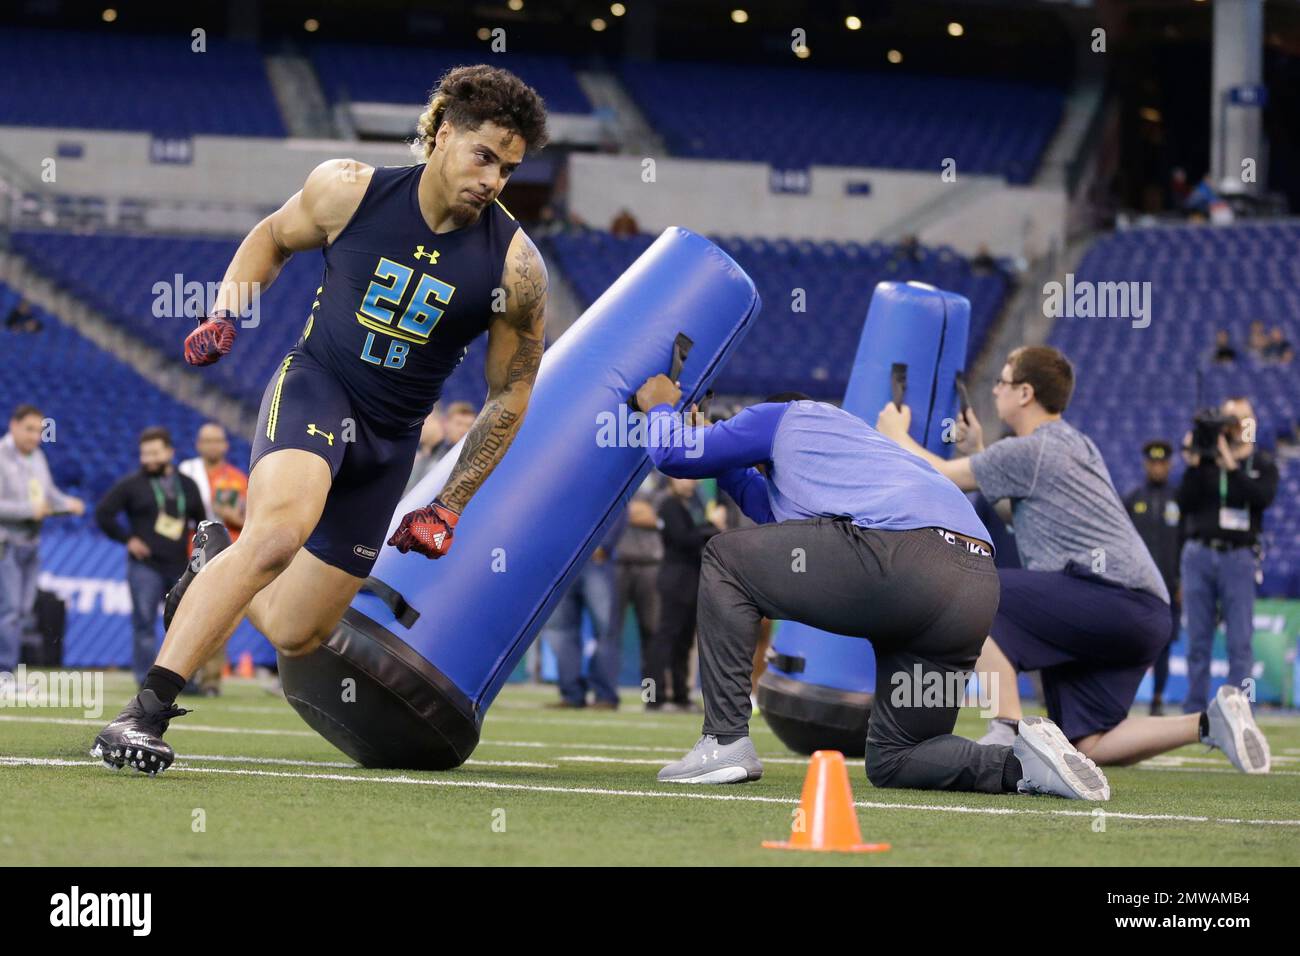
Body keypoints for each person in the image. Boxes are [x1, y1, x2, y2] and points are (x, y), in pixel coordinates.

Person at [92, 64, 551, 774]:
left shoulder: (516, 266)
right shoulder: (350, 188)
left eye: (509, 168)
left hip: (391, 442)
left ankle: (214, 556)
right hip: (319, 389)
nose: (493, 180)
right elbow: (272, 237)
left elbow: (512, 393)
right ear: (442, 133)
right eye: (484, 155)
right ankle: (142, 714)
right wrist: (226, 312)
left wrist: (451, 505)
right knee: (275, 538)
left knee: (297, 630)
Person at [641, 378, 1109, 800]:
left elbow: (674, 456)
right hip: (973, 583)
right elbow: (774, 517)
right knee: (899, 756)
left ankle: (724, 741)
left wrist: (662, 409)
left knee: (725, 558)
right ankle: (1024, 765)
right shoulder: (856, 453)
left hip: (904, 559)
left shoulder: (782, 416)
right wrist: (719, 454)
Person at [876, 346, 1270, 775]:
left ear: (1025, 393)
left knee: (975, 587)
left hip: (1110, 596)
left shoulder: (1031, 451)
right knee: (1088, 742)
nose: (995, 392)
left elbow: (942, 475)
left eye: (1002, 382)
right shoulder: (1072, 443)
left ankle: (1007, 729)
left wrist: (895, 433)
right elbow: (1017, 506)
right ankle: (1210, 722)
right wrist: (981, 448)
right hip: (1142, 612)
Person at [1177, 397, 1278, 716]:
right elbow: (1184, 502)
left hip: (1239, 557)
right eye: (1228, 419)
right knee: (1197, 640)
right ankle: (1193, 713)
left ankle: (1238, 714)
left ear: (1250, 424)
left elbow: (1260, 498)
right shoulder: (1205, 463)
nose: (1233, 425)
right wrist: (1194, 463)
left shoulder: (1261, 463)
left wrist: (1231, 463)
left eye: (1239, 419)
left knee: (1239, 641)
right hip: (1200, 554)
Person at [95, 427, 207, 685]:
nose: (149, 459)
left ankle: (182, 681)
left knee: (183, 625)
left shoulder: (188, 486)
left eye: (155, 453)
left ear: (170, 452)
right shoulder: (131, 485)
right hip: (144, 566)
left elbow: (201, 522)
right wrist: (128, 539)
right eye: (144, 454)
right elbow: (103, 514)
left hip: (180, 567)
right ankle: (147, 682)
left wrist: (198, 557)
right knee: (144, 624)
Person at [0, 404, 85, 674]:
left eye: (39, 430)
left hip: (30, 545)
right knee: (11, 610)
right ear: (13, 426)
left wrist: (66, 503)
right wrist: (28, 510)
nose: (35, 436)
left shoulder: (36, 456)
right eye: (29, 429)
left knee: (22, 612)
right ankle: (5, 671)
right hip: (6, 544)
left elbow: (47, 495)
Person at [178, 422, 248, 695]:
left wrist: (230, 515)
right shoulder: (187, 472)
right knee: (187, 616)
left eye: (216, 440)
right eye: (206, 440)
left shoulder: (236, 478)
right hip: (191, 552)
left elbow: (244, 518)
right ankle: (184, 675)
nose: (212, 445)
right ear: (198, 444)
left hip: (225, 552)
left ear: (225, 445)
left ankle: (211, 680)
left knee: (218, 615)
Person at [648, 475, 727, 711]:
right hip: (675, 579)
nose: (689, 482)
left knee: (684, 640)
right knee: (666, 636)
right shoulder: (668, 505)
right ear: (671, 480)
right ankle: (655, 697)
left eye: (692, 478)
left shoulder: (694, 505)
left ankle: (681, 695)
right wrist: (712, 526)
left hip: (692, 578)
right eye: (683, 477)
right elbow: (683, 538)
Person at [541, 512, 626, 709]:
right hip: (563, 561)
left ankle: (605, 695)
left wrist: (604, 544)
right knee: (560, 630)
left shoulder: (602, 480)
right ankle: (571, 694)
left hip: (597, 561)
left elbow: (619, 506)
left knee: (605, 630)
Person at [1122, 440, 1182, 716]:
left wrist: (1182, 580)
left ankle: (1157, 697)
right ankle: (1124, 697)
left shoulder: (1180, 499)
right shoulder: (1133, 499)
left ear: (1169, 464)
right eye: (1153, 462)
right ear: (1146, 464)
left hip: (1170, 587)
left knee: (1165, 644)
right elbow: (1122, 542)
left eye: (1162, 462)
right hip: (1137, 586)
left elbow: (1187, 542)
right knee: (1132, 641)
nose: (1157, 467)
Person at [612, 476, 664, 703]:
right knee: (609, 632)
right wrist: (641, 513)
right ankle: (606, 694)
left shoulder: (663, 472)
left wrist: (629, 511)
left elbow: (669, 512)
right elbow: (615, 509)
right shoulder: (618, 467)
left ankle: (651, 697)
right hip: (617, 561)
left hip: (651, 564)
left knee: (652, 632)